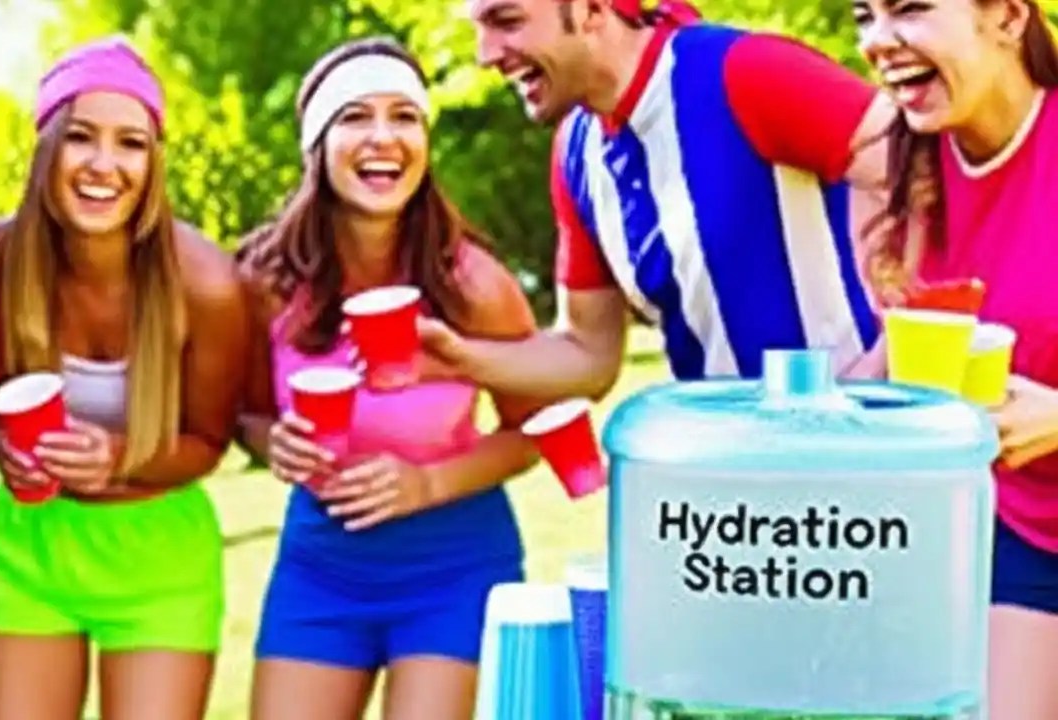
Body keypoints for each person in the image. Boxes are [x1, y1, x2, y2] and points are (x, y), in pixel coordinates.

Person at [235, 36, 543, 720]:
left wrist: (427, 482)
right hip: (321, 562)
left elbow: (536, 431)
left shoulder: (475, 286)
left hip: (453, 564)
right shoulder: (263, 282)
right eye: (356, 117)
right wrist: (270, 443)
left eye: (405, 116)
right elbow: (249, 413)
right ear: (318, 143)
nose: (385, 137)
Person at [0, 37, 249, 720]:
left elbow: (210, 440)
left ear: (154, 164)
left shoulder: (206, 284)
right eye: (81, 138)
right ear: (46, 150)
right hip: (28, 548)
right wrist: (5, 447)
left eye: (131, 144)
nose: (104, 165)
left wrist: (119, 458)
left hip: (158, 554)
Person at [418, 0, 899, 399]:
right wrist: (458, 356)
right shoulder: (575, 152)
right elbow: (588, 353)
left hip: (859, 453)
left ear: (591, 9)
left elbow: (930, 176)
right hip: (729, 478)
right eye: (479, 28)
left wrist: (869, 375)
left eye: (507, 21)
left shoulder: (743, 73)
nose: (484, 54)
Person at [851, 0, 1058, 716]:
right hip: (1026, 529)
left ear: (1005, 16)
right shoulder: (912, 166)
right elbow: (899, 353)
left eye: (907, 9)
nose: (879, 40)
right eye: (862, 15)